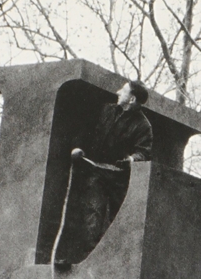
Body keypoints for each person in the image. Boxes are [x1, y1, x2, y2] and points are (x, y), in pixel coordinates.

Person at [55, 79, 153, 264]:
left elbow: (144, 152)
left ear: (131, 99)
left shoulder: (143, 125)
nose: (118, 92)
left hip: (120, 180)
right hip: (95, 173)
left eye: (122, 91)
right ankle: (87, 262)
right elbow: (85, 130)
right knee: (92, 215)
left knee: (118, 223)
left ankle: (114, 264)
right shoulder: (106, 110)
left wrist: (131, 160)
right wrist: (77, 147)